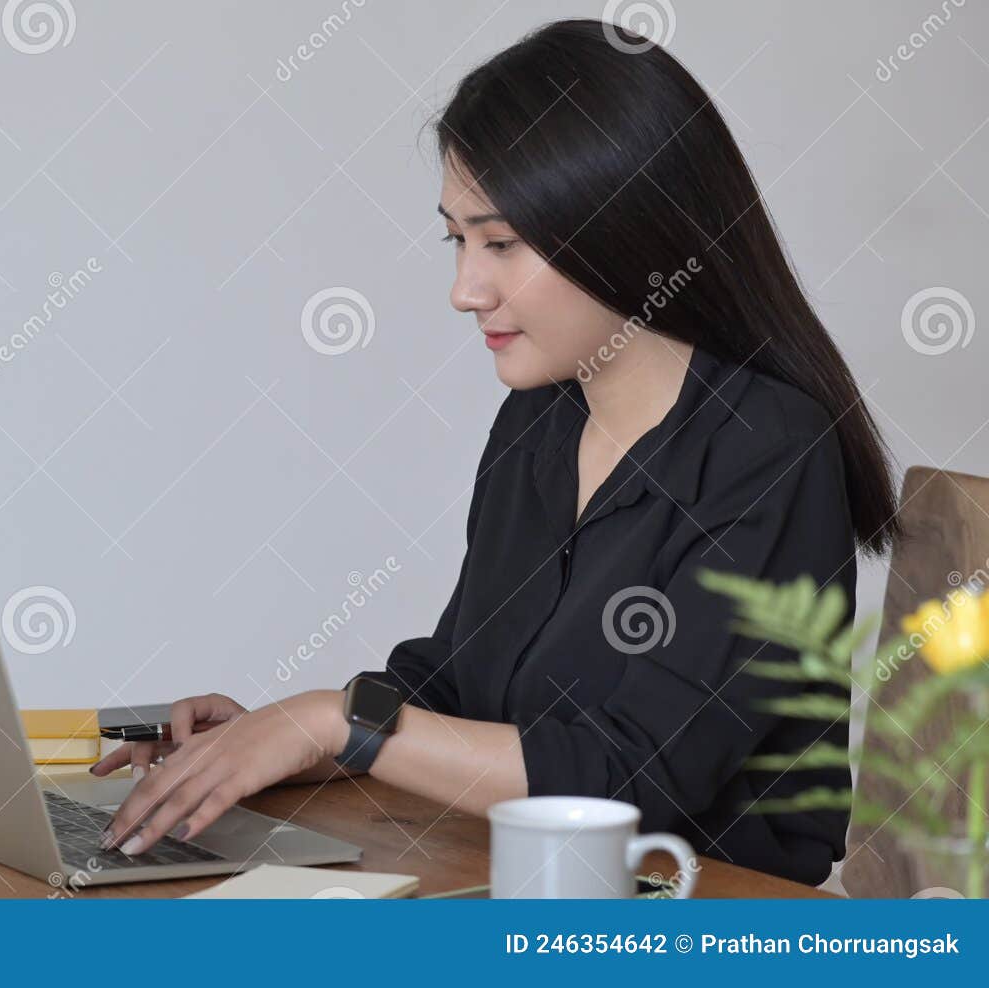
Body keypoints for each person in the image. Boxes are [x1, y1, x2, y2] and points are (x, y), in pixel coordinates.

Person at [90, 18, 897, 887]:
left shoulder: (768, 451)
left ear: (628, 228)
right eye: (458, 239)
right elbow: (459, 688)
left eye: (501, 242)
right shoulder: (542, 418)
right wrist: (271, 742)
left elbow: (632, 781)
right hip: (517, 884)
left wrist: (339, 723)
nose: (464, 289)